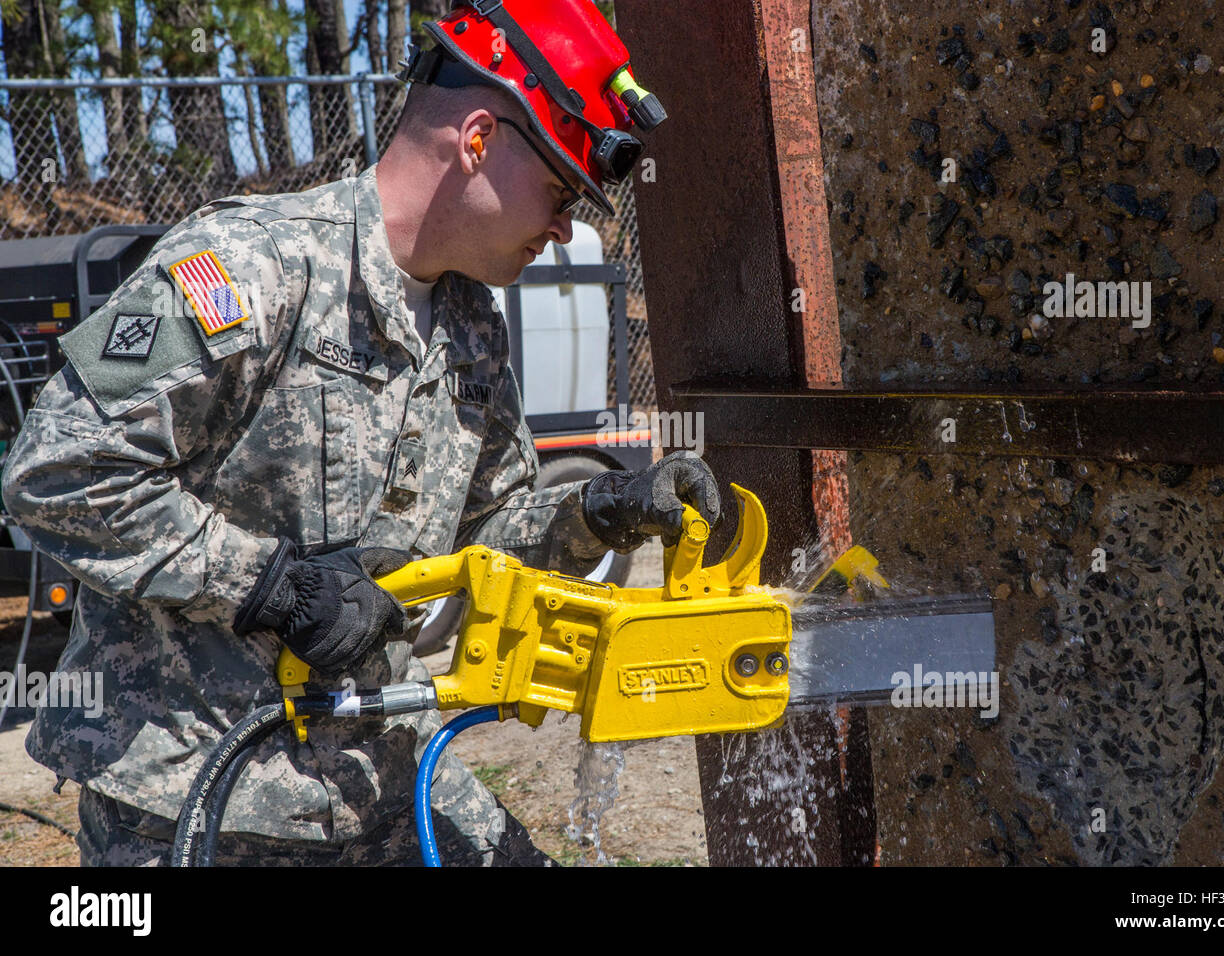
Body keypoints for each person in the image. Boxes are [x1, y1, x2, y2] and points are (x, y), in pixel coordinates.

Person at [0, 0, 718, 867]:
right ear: (479, 139)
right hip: (202, 793)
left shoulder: (469, 325)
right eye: (562, 191)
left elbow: (484, 541)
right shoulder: (250, 266)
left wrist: (603, 510)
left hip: (378, 769)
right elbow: (60, 470)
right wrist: (274, 588)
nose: (568, 227)